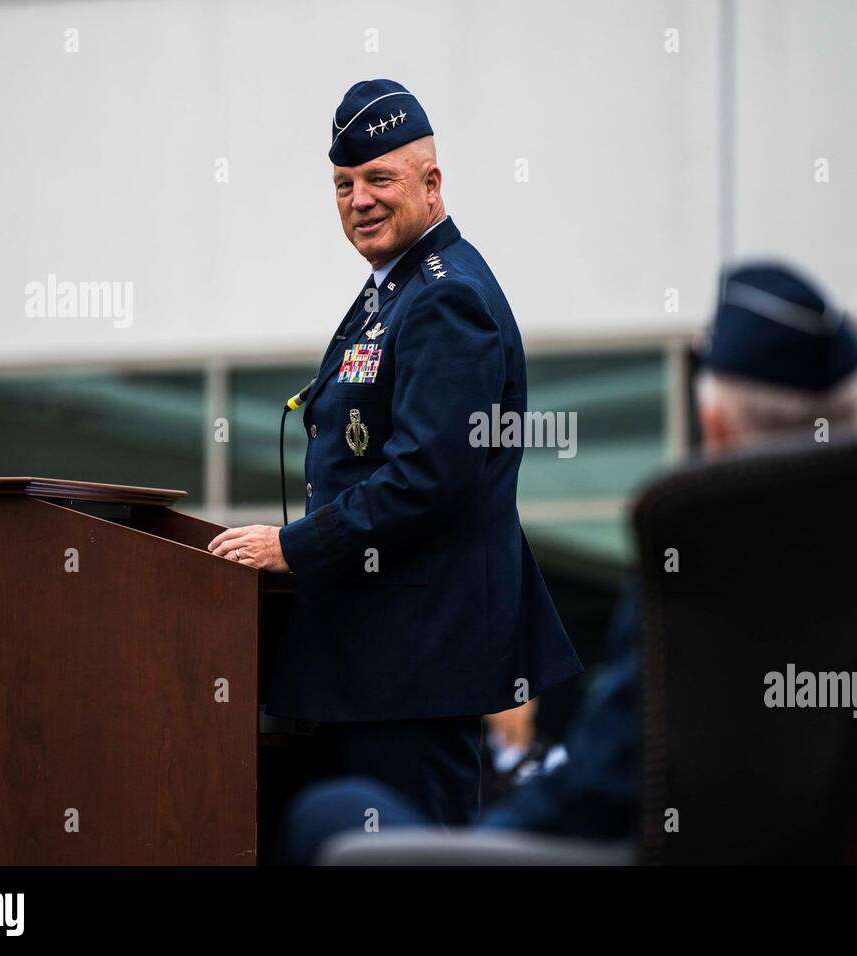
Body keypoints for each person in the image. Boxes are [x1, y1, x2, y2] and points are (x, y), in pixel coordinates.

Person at [279, 261, 857, 862]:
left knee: (330, 815)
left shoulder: (701, 574)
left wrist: (484, 842)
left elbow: (600, 787)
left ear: (716, 428)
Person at [207, 79, 582, 826]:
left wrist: (292, 546)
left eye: (379, 179)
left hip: (412, 664)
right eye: (343, 185)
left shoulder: (446, 296)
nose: (359, 201)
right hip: (374, 660)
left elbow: (427, 476)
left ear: (431, 184)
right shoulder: (398, 287)